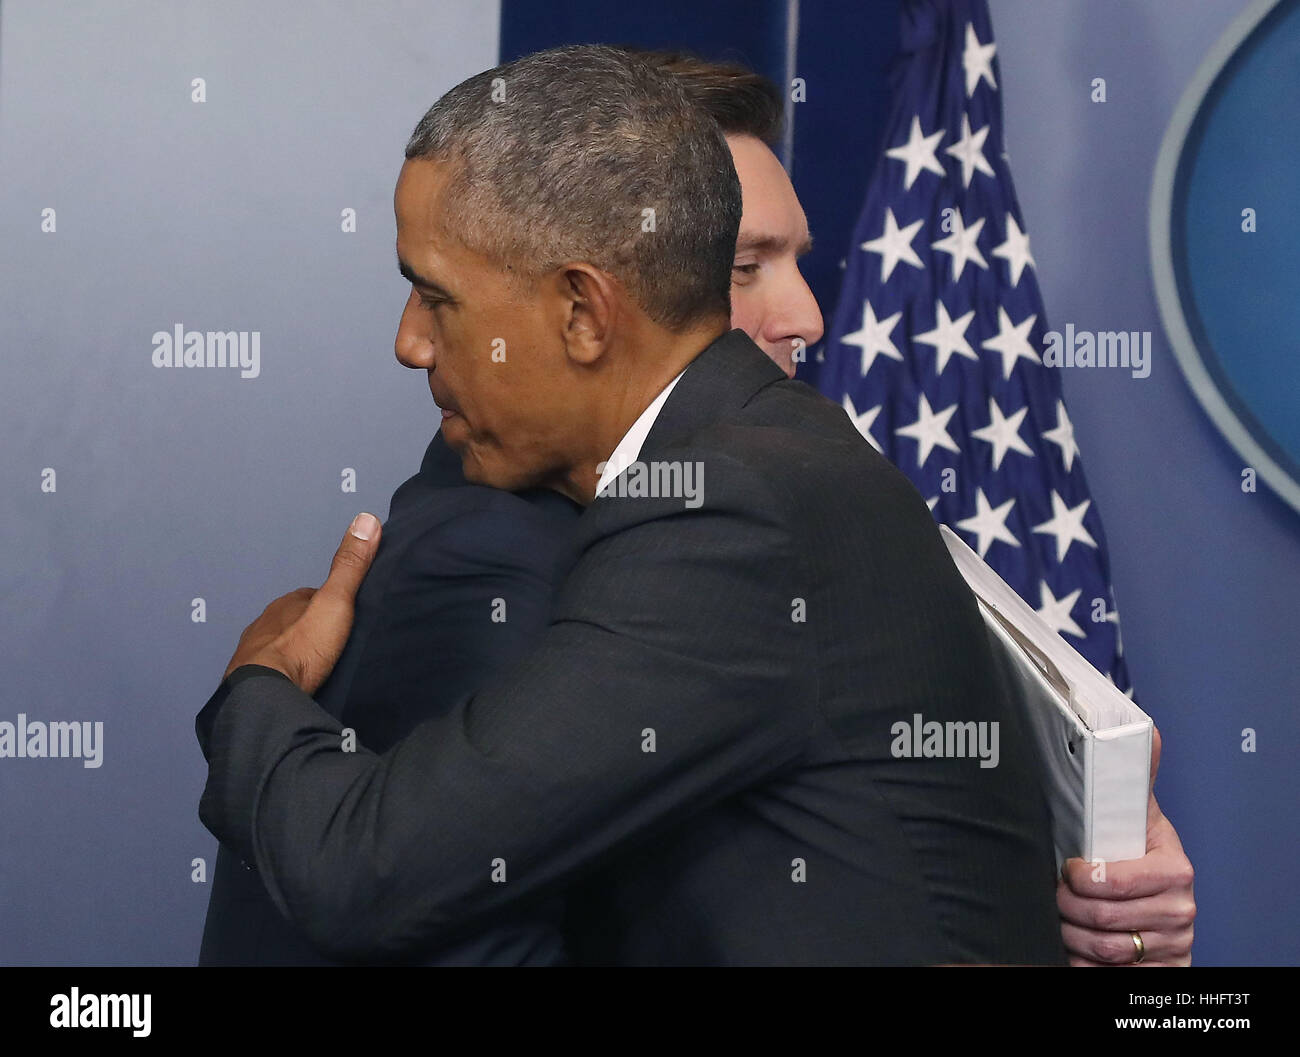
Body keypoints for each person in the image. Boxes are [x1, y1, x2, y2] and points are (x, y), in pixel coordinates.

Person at [196, 44, 1067, 966]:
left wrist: (256, 685)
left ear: (584, 313)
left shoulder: (730, 510)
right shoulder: (739, 459)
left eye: (436, 298)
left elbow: (366, 870)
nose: (411, 343)